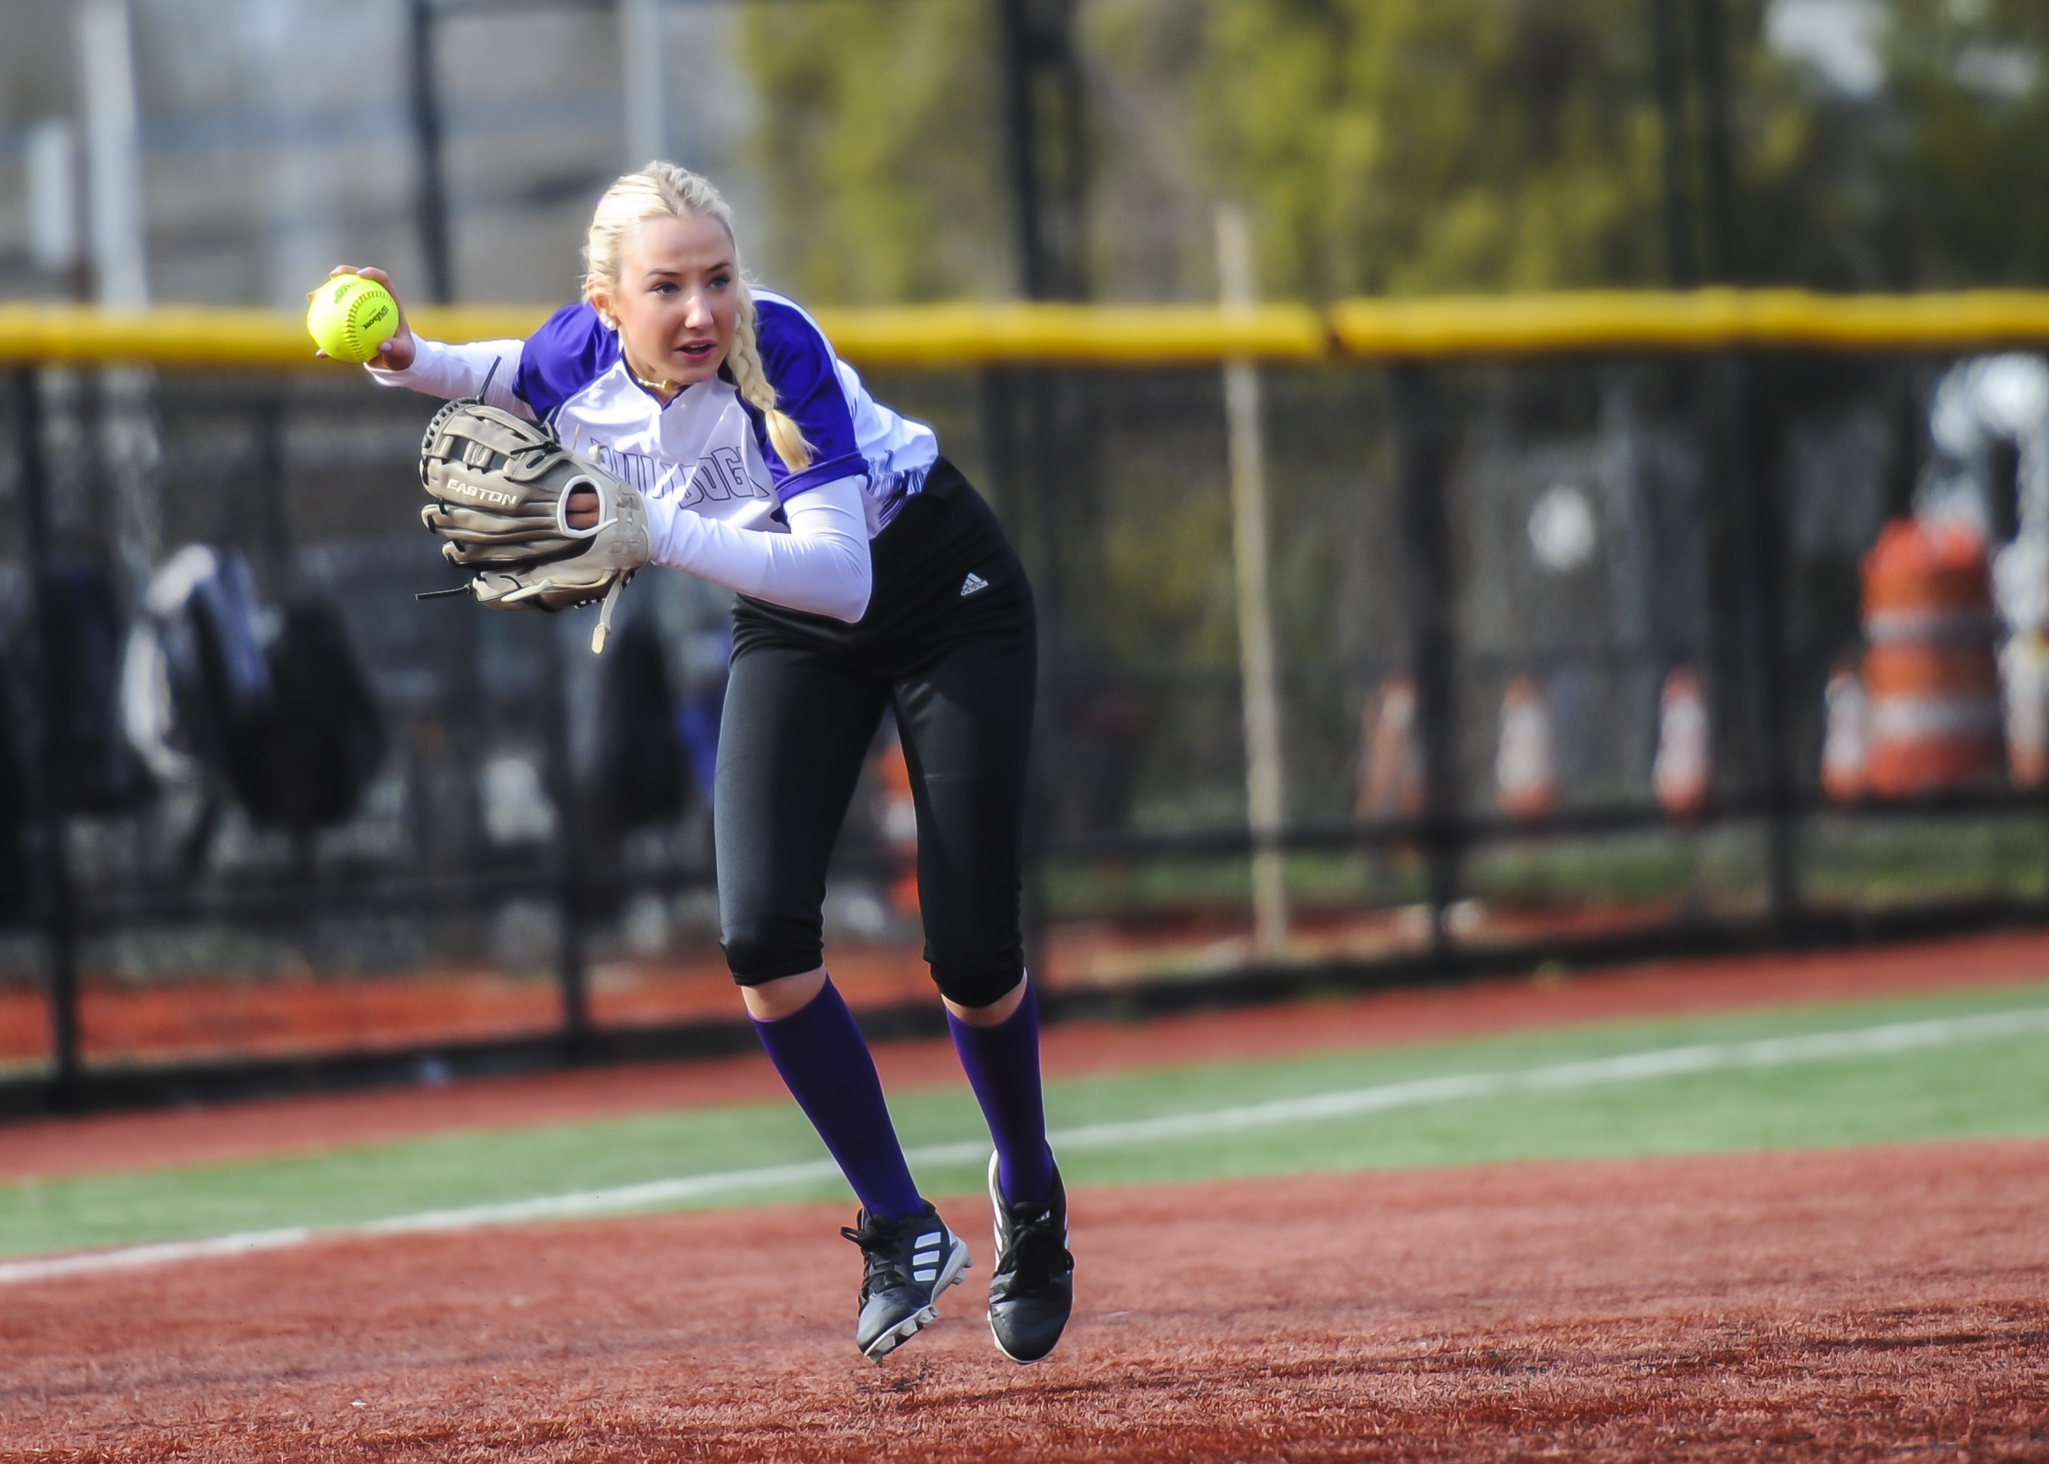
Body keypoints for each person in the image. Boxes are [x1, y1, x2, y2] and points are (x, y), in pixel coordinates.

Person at [344, 162, 1071, 1365]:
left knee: (971, 953)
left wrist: (650, 530)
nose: (701, 310)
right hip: (784, 611)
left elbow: (847, 579)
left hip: (941, 588)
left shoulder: (774, 352)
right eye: (666, 286)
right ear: (607, 304)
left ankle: (1030, 1192)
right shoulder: (576, 350)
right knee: (763, 945)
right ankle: (902, 1226)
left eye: (718, 277)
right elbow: (502, 375)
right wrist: (405, 354)